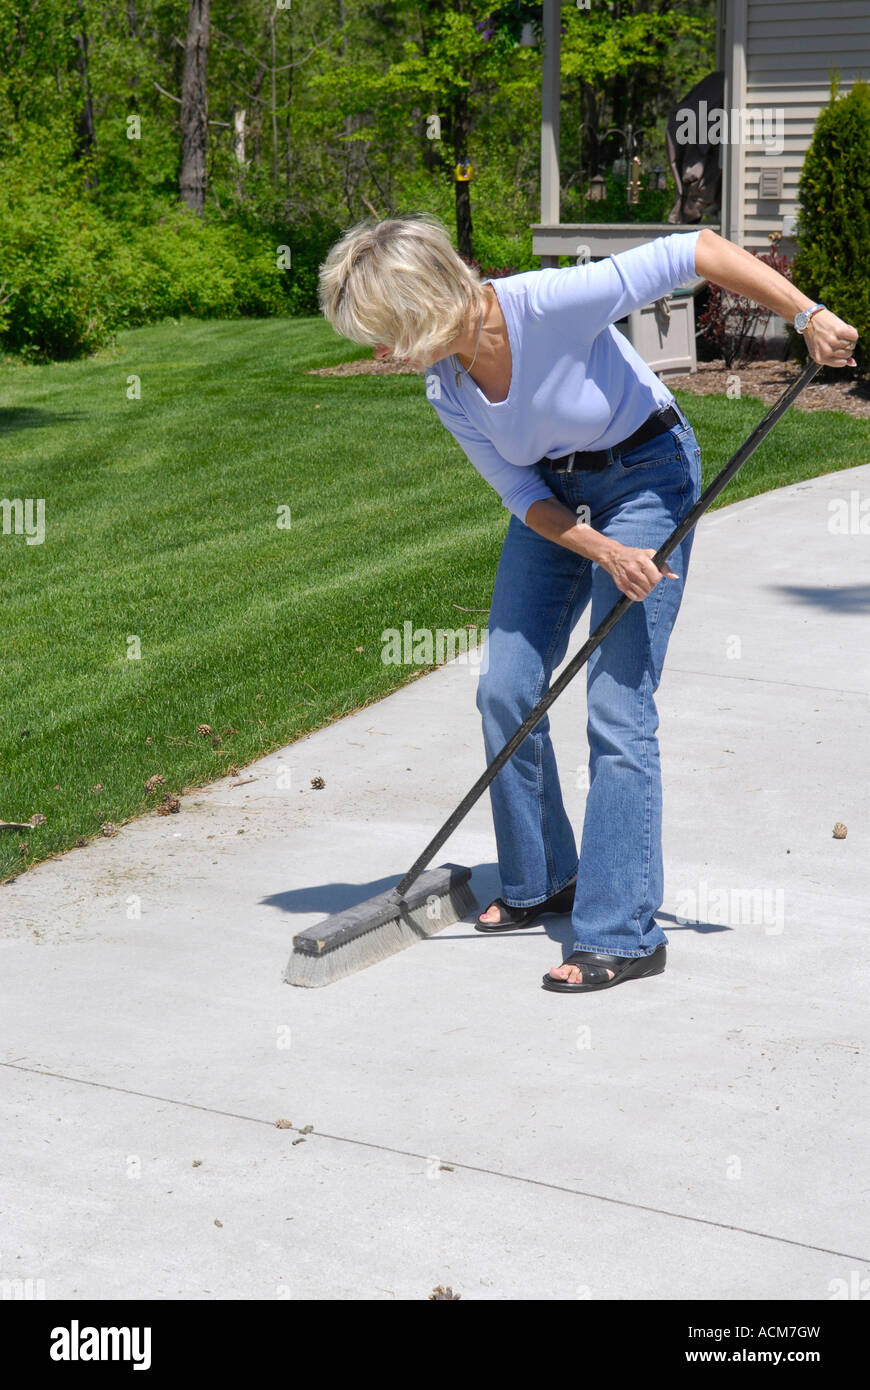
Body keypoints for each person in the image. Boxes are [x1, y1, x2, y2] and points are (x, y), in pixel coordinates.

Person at [317, 212, 858, 994]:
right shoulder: (446, 385)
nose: (382, 353)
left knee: (617, 702)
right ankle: (544, 881)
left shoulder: (546, 304)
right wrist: (603, 550)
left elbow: (693, 250)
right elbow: (520, 492)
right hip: (556, 497)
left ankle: (623, 931)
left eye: (387, 330)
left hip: (646, 471)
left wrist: (805, 314)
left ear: (428, 302)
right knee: (505, 687)